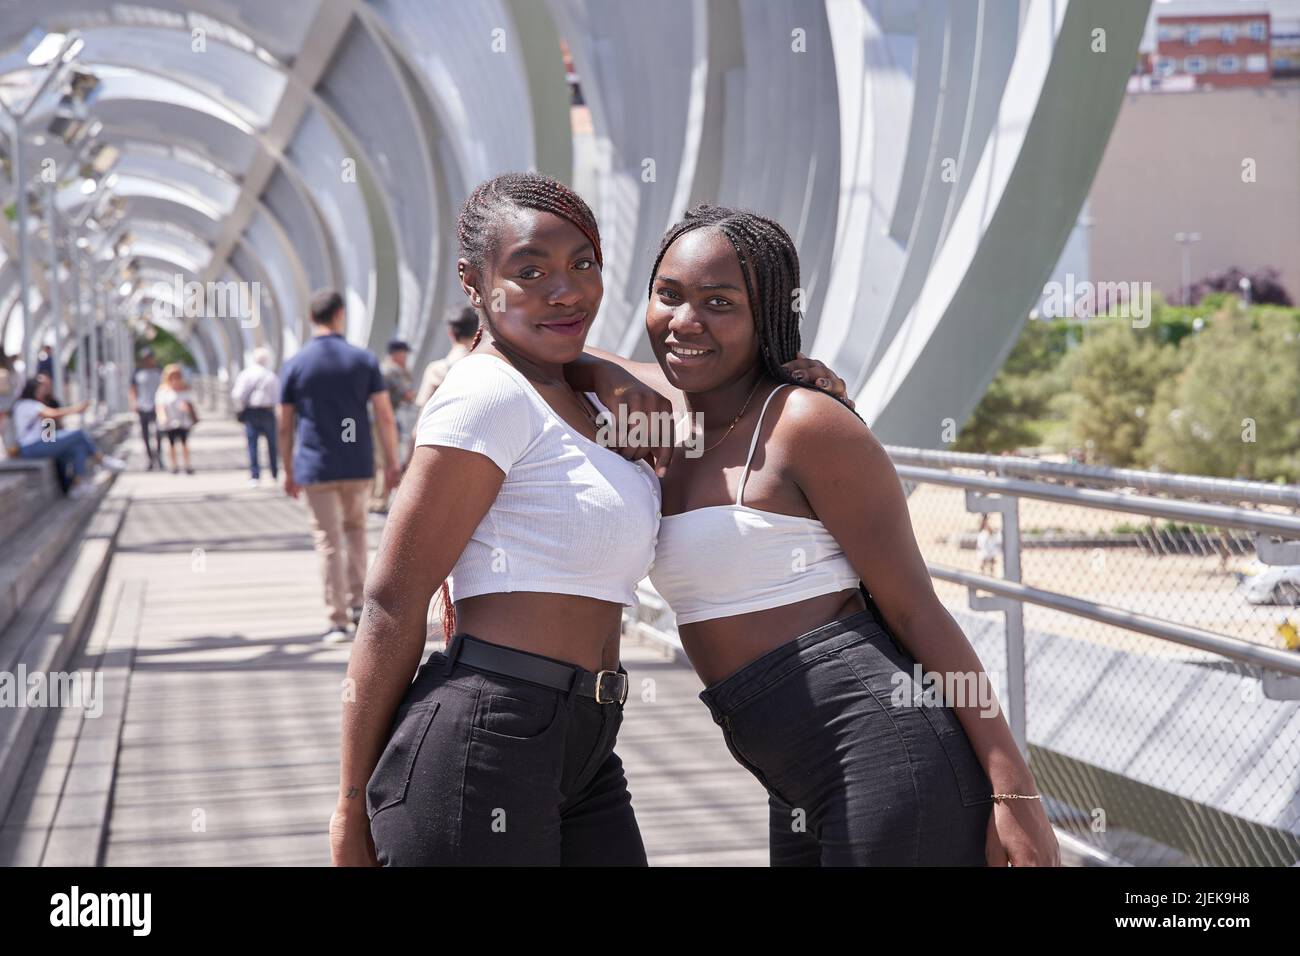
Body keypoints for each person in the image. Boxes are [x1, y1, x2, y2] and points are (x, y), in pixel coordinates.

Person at [330, 174, 847, 867]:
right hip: (488, 738)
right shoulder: (484, 396)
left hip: (585, 738)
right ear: (472, 282)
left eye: (583, 264)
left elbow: (707, 388)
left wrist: (791, 378)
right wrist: (347, 804)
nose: (565, 290)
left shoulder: (581, 395)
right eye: (529, 271)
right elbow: (392, 602)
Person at [569, 204, 1059, 865]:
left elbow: (916, 609)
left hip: (882, 753)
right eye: (669, 295)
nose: (686, 322)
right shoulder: (670, 427)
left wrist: (1016, 794)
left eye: (720, 302)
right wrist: (602, 371)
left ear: (767, 314)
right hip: (793, 779)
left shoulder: (805, 423)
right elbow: (532, 339)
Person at [279, 290, 401, 644]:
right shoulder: (362, 360)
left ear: (311, 317)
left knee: (328, 541)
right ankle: (359, 605)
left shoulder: (296, 364)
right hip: (358, 462)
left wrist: (287, 469)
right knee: (357, 531)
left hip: (316, 465)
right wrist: (392, 463)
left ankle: (335, 620)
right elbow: (385, 416)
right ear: (340, 315)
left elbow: (284, 423)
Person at [11, 376, 124, 498]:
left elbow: (49, 428)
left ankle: (77, 485)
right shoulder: (27, 404)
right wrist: (77, 409)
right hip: (31, 447)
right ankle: (101, 460)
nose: (43, 391)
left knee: (78, 446)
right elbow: (53, 414)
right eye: (41, 389)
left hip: (41, 442)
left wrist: (62, 439)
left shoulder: (39, 403)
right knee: (78, 434)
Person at [409, 307, 477, 461]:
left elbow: (420, 424)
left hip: (442, 450)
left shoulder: (437, 370)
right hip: (476, 450)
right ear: (476, 332)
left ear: (450, 333)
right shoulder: (488, 367)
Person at [368, 339, 416, 513]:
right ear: (397, 354)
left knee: (375, 460)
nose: (406, 358)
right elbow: (408, 395)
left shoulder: (380, 368)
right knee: (385, 460)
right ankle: (380, 500)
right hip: (382, 420)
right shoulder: (393, 371)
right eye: (404, 354)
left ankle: (372, 498)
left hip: (370, 419)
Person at [231, 347, 281, 488]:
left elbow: (237, 395)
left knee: (253, 444)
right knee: (272, 444)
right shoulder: (271, 376)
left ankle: (255, 475)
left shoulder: (246, 374)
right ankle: (274, 473)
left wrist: (241, 408)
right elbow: (278, 398)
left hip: (252, 412)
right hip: (268, 411)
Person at [155, 364, 198, 475]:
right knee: (171, 444)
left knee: (184, 443)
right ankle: (174, 465)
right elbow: (160, 406)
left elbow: (191, 403)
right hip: (170, 421)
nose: (174, 378)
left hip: (183, 420)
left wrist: (186, 407)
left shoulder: (185, 389)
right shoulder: (163, 390)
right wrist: (162, 417)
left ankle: (187, 464)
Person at [129, 349, 164, 471]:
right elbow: (133, 389)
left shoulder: (159, 371)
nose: (148, 360)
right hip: (143, 406)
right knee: (145, 434)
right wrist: (134, 403)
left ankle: (159, 456)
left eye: (150, 357)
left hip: (157, 406)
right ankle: (149, 458)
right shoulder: (138, 372)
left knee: (159, 433)